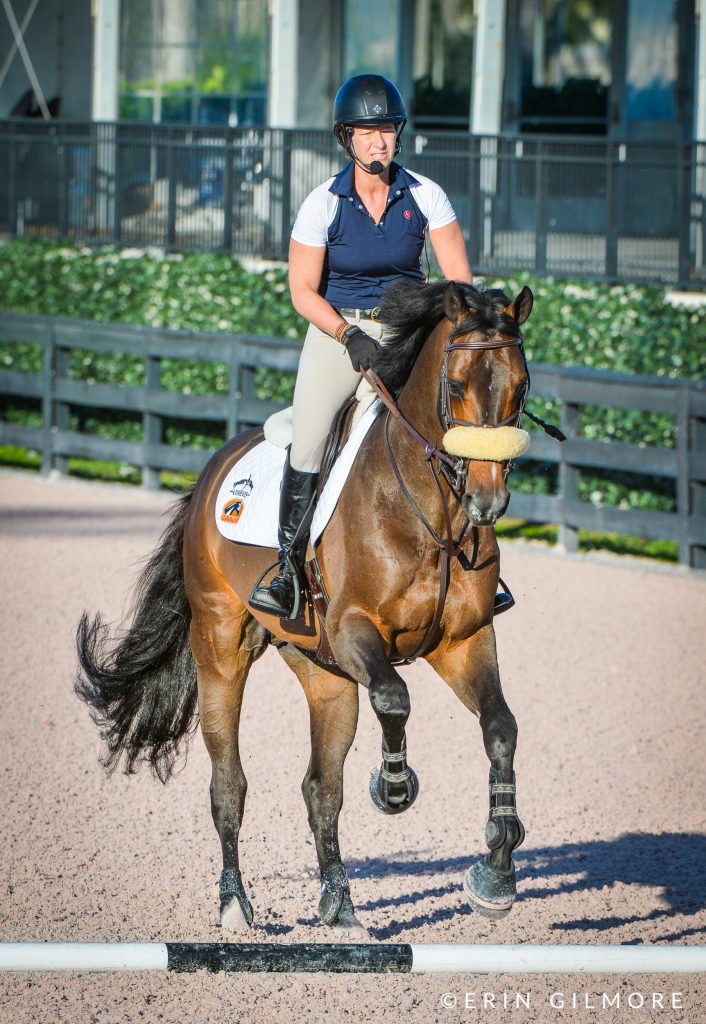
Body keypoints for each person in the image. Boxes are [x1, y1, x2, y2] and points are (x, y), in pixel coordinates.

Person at [249, 73, 475, 620]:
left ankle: (474, 566)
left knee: (444, 428)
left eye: (387, 130)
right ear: (346, 138)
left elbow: (460, 284)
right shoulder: (322, 203)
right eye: (366, 132)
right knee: (309, 444)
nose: (379, 141)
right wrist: (347, 334)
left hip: (406, 331)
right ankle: (287, 570)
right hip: (338, 332)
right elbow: (302, 290)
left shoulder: (426, 196)